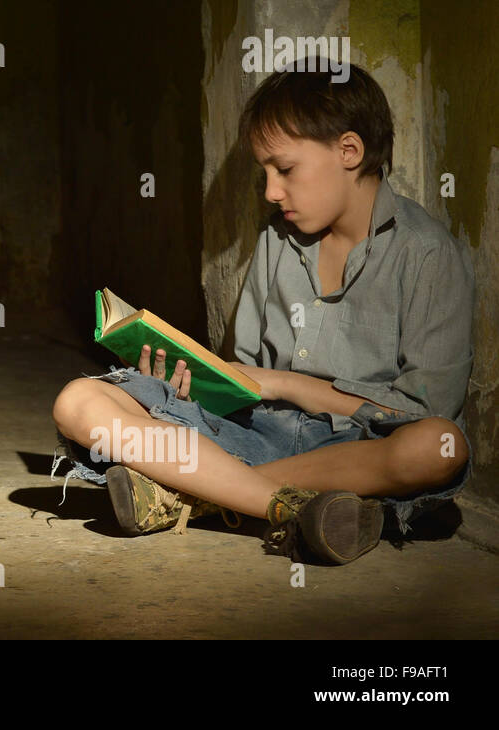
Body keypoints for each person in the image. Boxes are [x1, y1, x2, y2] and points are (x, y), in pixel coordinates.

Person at [50, 60, 475, 564]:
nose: (272, 191)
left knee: (440, 446)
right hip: (254, 436)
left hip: (355, 455)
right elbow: (244, 388)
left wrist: (286, 384)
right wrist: (188, 384)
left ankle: (199, 493)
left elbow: (423, 412)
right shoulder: (277, 241)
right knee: (78, 401)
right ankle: (282, 507)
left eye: (286, 169)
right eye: (266, 174)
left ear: (349, 151)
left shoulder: (425, 253)